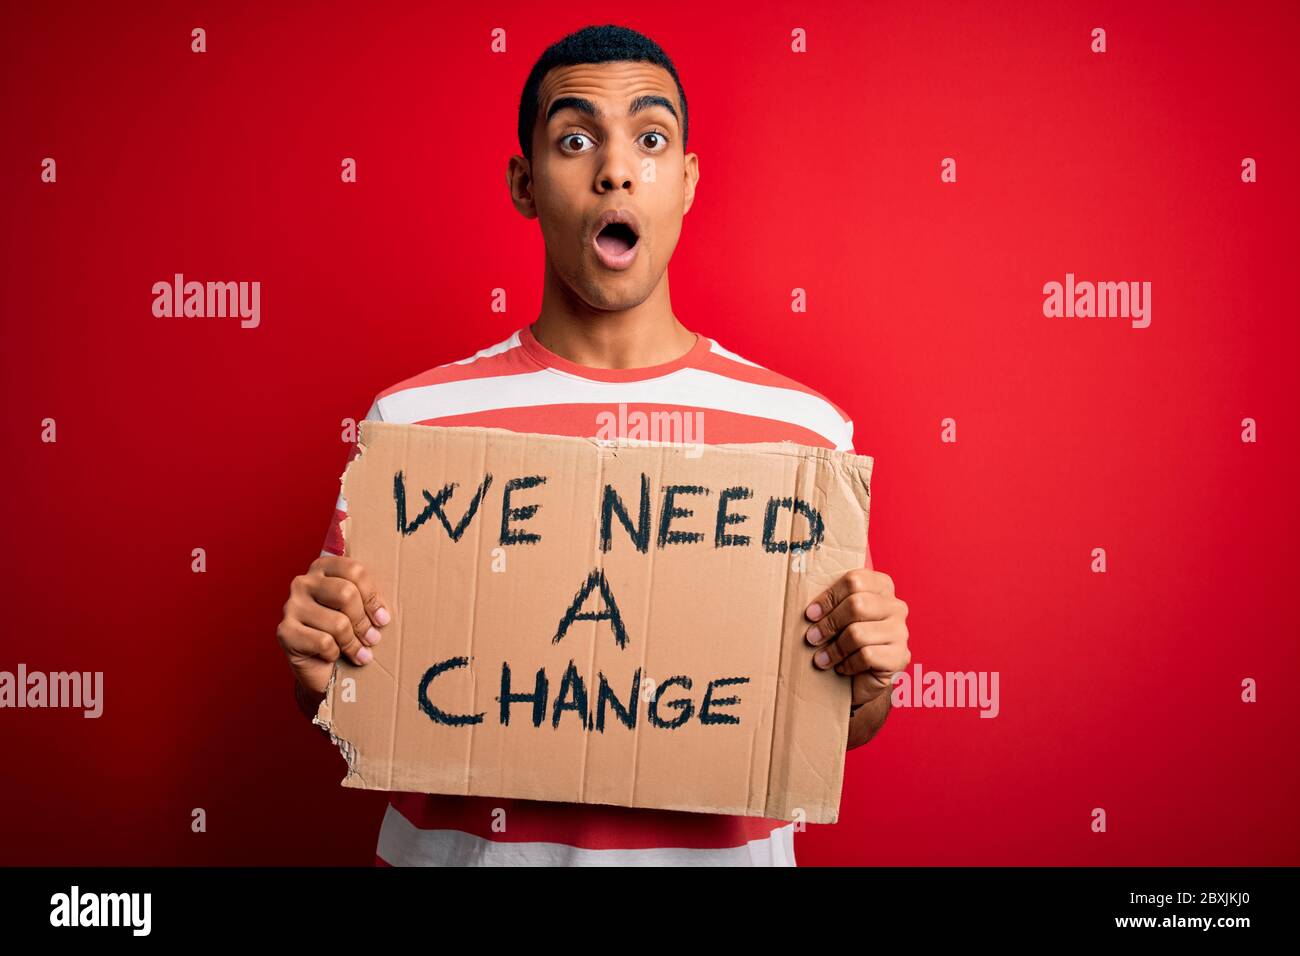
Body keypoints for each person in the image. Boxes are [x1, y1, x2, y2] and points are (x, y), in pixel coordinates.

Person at [276, 23, 909, 866]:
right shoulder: (411, 427)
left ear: (684, 182)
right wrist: (317, 659)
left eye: (650, 139)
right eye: (575, 140)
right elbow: (344, 697)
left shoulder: (807, 438)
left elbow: (836, 721)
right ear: (525, 183)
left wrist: (869, 684)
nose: (615, 168)